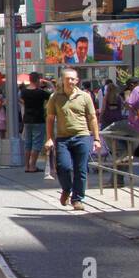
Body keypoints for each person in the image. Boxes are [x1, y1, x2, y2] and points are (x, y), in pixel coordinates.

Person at [45, 69, 101, 211]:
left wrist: (96, 139)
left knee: (81, 170)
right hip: (63, 138)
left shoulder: (85, 97)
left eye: (73, 79)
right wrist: (49, 138)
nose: (70, 81)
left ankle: (77, 199)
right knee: (63, 167)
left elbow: (92, 118)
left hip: (82, 136)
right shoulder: (55, 97)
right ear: (62, 80)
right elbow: (50, 119)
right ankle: (66, 189)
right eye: (67, 79)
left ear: (77, 81)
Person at [20, 72, 51, 173]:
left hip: (27, 119)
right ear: (38, 80)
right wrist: (50, 84)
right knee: (36, 143)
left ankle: (27, 166)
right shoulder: (40, 92)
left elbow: (21, 99)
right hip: (38, 119)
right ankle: (33, 165)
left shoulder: (24, 92)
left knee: (28, 143)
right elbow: (53, 96)